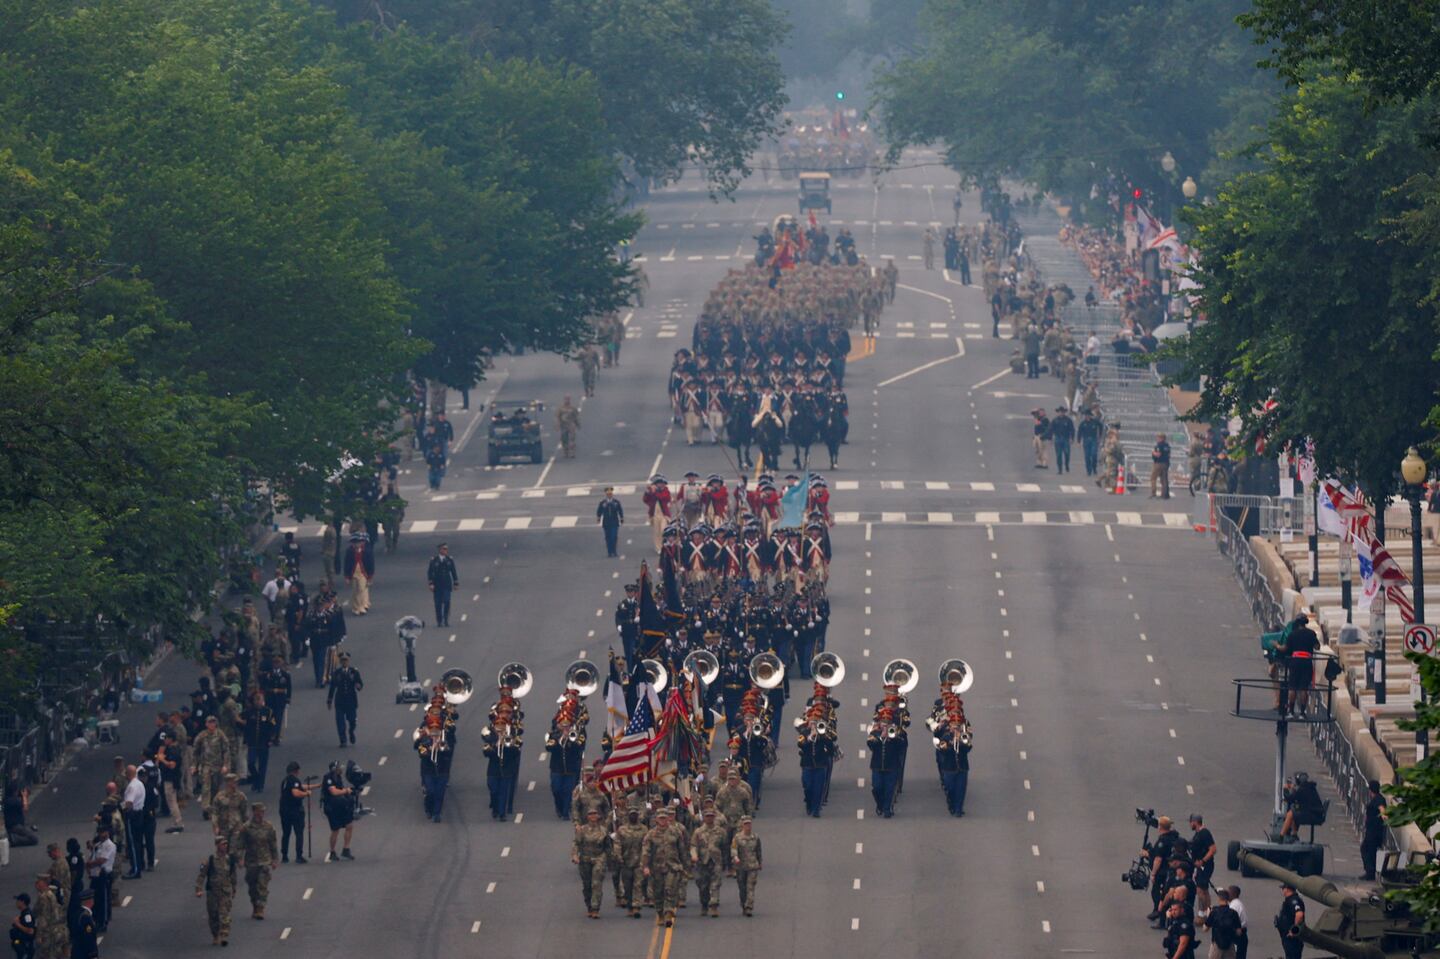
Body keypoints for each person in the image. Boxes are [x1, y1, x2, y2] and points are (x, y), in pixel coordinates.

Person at [640, 807, 687, 927]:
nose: (663, 820)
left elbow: (682, 850)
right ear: (656, 819)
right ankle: (660, 914)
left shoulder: (676, 832)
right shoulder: (651, 834)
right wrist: (645, 866)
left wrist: (685, 866)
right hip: (656, 868)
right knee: (658, 892)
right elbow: (646, 851)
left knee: (670, 889)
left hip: (673, 866)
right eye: (660, 818)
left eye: (665, 818)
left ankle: (668, 912)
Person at [235, 803, 278, 920]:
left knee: (262, 885)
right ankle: (255, 904)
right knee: (252, 887)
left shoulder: (268, 827)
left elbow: (273, 844)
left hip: (264, 861)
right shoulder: (246, 827)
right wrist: (240, 859)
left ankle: (260, 908)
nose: (261, 814)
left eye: (263, 812)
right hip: (251, 862)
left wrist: (275, 859)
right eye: (259, 811)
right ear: (254, 812)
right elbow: (240, 845)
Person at [194, 836, 237, 947]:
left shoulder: (229, 860)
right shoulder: (210, 860)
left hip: (225, 892)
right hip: (213, 892)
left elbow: (232, 875)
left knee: (225, 914)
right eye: (223, 844)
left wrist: (234, 888)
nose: (225, 846)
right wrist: (198, 889)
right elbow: (202, 875)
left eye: (226, 844)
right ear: (217, 845)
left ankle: (224, 935)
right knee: (213, 915)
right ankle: (215, 935)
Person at [571, 808, 612, 919]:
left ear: (598, 816)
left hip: (599, 858)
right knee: (587, 885)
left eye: (595, 813)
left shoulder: (603, 830)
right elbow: (576, 843)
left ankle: (595, 908)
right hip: (585, 859)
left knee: (596, 884)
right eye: (590, 814)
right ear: (587, 816)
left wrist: (612, 860)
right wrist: (574, 855)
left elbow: (608, 846)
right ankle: (589, 906)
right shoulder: (582, 830)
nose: (593, 816)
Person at [1277, 614, 1319, 718]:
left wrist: (1276, 645)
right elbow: (1317, 647)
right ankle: (1302, 713)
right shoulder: (1311, 633)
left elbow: (1285, 649)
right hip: (1307, 661)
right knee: (1303, 688)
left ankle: (1291, 712)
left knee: (1292, 687)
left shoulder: (1292, 634)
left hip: (1295, 661)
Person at [690, 807, 727, 917]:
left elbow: (725, 846)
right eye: (707, 816)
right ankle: (704, 904)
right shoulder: (698, 832)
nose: (709, 818)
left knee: (715, 884)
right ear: (704, 818)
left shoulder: (720, 831)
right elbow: (693, 846)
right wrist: (694, 855)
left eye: (711, 816)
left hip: (716, 861)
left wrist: (725, 862)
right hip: (702, 862)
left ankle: (714, 906)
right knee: (703, 885)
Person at [241, 691, 277, 794]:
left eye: (259, 699)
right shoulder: (249, 712)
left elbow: (273, 726)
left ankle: (260, 785)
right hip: (252, 742)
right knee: (251, 763)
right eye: (256, 699)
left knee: (262, 765)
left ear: (263, 700)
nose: (258, 702)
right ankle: (256, 779)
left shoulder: (268, 712)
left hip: (264, 742)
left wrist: (271, 739)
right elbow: (239, 719)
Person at [614, 807, 647, 919]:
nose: (633, 816)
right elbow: (617, 843)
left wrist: (646, 859)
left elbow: (646, 845)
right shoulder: (622, 830)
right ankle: (629, 906)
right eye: (631, 814)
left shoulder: (644, 829)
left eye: (635, 814)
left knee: (638, 884)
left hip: (639, 862)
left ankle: (636, 906)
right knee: (627, 886)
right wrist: (618, 856)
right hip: (626, 861)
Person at [319, 762, 355, 862]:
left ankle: (346, 849)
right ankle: (332, 852)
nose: (341, 769)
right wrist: (346, 791)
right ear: (334, 768)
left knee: (349, 825)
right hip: (332, 807)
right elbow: (334, 792)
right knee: (336, 829)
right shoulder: (328, 777)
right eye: (339, 768)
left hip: (341, 805)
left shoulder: (338, 777)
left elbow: (340, 789)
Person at [326, 652, 363, 748]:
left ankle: (351, 732)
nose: (344, 662)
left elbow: (360, 684)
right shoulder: (336, 673)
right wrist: (329, 700)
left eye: (346, 660)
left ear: (348, 661)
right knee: (340, 722)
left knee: (352, 720)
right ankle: (343, 740)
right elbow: (332, 687)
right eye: (342, 660)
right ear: (340, 662)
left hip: (351, 700)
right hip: (340, 701)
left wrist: (358, 686)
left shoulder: (354, 672)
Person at [277, 762, 312, 864]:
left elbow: (300, 786)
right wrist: (306, 794)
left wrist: (314, 786)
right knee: (299, 833)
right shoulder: (294, 780)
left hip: (284, 810)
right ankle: (299, 855)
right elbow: (296, 792)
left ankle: (284, 855)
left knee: (286, 833)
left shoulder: (285, 781)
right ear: (296, 770)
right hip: (294, 810)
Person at [729, 815, 762, 918]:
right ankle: (744, 904)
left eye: (749, 824)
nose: (748, 826)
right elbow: (733, 849)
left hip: (752, 866)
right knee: (742, 888)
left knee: (750, 887)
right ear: (742, 826)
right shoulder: (737, 837)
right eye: (746, 824)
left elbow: (758, 851)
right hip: (741, 866)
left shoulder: (755, 837)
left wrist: (760, 862)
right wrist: (735, 857)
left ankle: (749, 907)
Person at [83, 828, 115, 933]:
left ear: (108, 832)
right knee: (95, 900)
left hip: (104, 875)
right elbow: (93, 855)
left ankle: (103, 923)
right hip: (95, 875)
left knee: (103, 900)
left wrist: (88, 864)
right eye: (100, 832)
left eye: (103, 832)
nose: (101, 834)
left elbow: (101, 860)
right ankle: (96, 920)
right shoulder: (99, 845)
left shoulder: (109, 845)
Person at [1200, 887, 1242, 959]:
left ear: (1219, 899)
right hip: (1230, 944)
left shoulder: (1214, 912)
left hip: (1216, 943)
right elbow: (1239, 932)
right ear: (1228, 899)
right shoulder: (1233, 913)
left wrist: (1208, 916)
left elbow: (1205, 929)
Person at [32, 876, 65, 959]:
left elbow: (43, 917)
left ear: (44, 884)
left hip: (47, 932)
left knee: (44, 954)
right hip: (55, 929)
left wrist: (39, 935)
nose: (36, 885)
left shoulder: (44, 897)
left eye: (38, 882)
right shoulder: (51, 894)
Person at [1189, 814, 1217, 912]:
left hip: (1205, 866)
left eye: (1191, 822)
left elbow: (1213, 849)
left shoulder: (1204, 833)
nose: (1190, 825)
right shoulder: (1198, 834)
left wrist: (1202, 861)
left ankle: (1202, 913)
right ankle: (1208, 912)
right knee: (1204, 889)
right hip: (1200, 866)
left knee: (1200, 889)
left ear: (1195, 822)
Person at [426, 543, 459, 627]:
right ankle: (439, 620)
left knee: (447, 601)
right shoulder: (434, 560)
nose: (445, 551)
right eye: (444, 549)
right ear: (440, 550)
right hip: (437, 585)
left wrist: (455, 582)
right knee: (438, 603)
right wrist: (431, 583)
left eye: (446, 549)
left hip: (447, 584)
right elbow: (430, 572)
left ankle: (446, 619)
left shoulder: (449, 560)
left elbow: (453, 571)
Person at [342, 533, 374, 617]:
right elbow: (346, 564)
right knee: (355, 590)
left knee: (361, 589)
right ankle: (356, 607)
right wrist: (346, 576)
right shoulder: (349, 551)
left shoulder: (367, 551)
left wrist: (370, 576)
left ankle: (360, 606)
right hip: (353, 573)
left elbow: (371, 564)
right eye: (355, 542)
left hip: (363, 573)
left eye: (358, 542)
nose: (357, 544)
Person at [1360, 780, 1387, 880]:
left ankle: (1370, 872)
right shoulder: (1377, 799)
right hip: (1372, 830)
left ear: (1370, 790)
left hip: (1374, 832)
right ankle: (1370, 872)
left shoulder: (1378, 799)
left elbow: (1382, 809)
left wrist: (1384, 816)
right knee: (1367, 850)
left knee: (1367, 850)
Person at [1274, 881, 1305, 959]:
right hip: (1288, 937)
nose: (1282, 890)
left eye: (1283, 888)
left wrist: (1294, 930)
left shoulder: (1293, 900)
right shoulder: (1289, 900)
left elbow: (1299, 914)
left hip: (1292, 939)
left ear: (1287, 889)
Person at [596, 488, 624, 559]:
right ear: (606, 495)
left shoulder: (616, 502)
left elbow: (620, 510)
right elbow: (599, 511)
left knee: (614, 537)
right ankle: (609, 552)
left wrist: (621, 518)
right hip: (606, 523)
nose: (609, 495)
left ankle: (614, 551)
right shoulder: (602, 503)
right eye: (608, 494)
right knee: (608, 537)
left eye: (610, 494)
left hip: (614, 522)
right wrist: (598, 518)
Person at [70, 892, 96, 959]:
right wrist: (92, 954)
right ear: (89, 902)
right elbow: (88, 937)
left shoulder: (78, 913)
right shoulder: (86, 917)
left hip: (76, 951)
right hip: (84, 954)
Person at [1227, 885, 1250, 959]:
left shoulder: (1234, 906)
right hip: (1241, 934)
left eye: (1228, 893)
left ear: (1233, 894)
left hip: (1238, 936)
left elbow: (1229, 922)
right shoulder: (1236, 903)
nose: (1227, 895)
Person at [1050, 407, 1074, 474]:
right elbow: (1051, 429)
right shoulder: (1055, 420)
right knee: (1058, 455)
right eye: (1060, 412)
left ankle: (1066, 464)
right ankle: (1060, 469)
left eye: (1062, 412)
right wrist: (1051, 438)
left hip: (1066, 438)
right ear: (1058, 412)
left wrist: (1072, 438)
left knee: (1067, 453)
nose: (1061, 413)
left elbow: (1072, 430)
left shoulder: (1068, 420)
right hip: (1058, 438)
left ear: (1064, 412)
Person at [11, 893, 35, 959]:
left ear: (22, 902)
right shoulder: (24, 913)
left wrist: (17, 924)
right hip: (23, 945)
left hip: (25, 945)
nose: (16, 903)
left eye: (18, 901)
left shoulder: (27, 915)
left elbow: (30, 931)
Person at [1151, 433, 1172, 499]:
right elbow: (1169, 455)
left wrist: (1153, 452)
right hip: (1165, 463)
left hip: (1158, 463)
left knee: (1153, 478)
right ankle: (1165, 494)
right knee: (1164, 479)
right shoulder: (1167, 446)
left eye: (1158, 437)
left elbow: (1158, 455)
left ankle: (1153, 493)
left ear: (1161, 438)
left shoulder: (1159, 445)